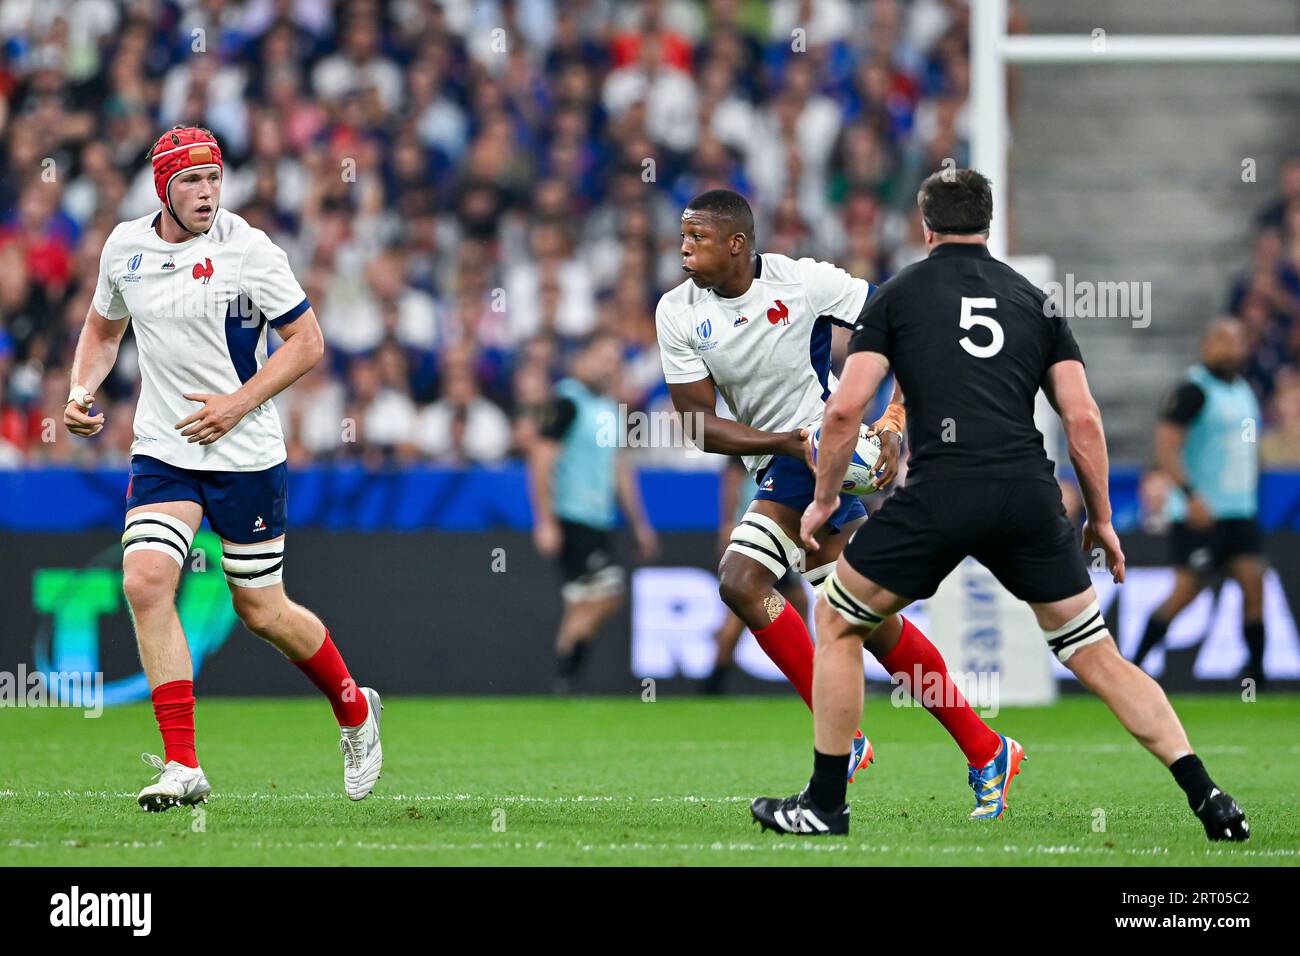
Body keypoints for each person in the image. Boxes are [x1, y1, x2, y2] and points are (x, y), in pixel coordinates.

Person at [752, 170, 1249, 842]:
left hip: (941, 491)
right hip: (1026, 493)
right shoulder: (1032, 300)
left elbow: (843, 410)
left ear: (925, 226)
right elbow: (1083, 420)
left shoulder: (898, 295)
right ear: (987, 224)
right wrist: (1100, 519)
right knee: (1095, 653)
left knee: (837, 618)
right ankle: (1208, 795)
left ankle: (825, 802)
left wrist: (824, 501)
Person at [63, 126, 382, 810]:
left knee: (261, 609)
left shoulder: (249, 251)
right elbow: (101, 328)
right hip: (164, 446)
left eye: (214, 179)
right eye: (190, 182)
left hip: (244, 453)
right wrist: (80, 391)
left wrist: (239, 404)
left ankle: (354, 709)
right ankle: (183, 765)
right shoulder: (125, 248)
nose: (207, 193)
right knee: (146, 580)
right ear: (162, 189)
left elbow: (308, 342)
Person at [658, 188, 1008, 786]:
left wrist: (895, 417)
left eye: (698, 238)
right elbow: (698, 426)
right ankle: (986, 748)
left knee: (742, 580)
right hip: (786, 456)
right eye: (684, 236)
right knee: (867, 620)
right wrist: (785, 443)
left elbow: (908, 330)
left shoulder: (804, 283)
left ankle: (839, 736)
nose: (684, 247)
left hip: (826, 447)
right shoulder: (678, 310)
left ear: (737, 245)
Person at [1132, 319, 1266, 688]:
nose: (1229, 348)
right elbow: (1166, 445)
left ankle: (1259, 679)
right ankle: (1134, 666)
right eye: (1221, 340)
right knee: (1184, 594)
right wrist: (1189, 495)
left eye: (1236, 340)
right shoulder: (1193, 389)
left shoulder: (1243, 390)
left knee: (1254, 586)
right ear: (1206, 345)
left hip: (1240, 512)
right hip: (1201, 514)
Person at [527, 332, 658, 692]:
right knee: (607, 593)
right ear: (582, 358)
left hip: (599, 517)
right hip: (572, 515)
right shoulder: (567, 400)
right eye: (603, 357)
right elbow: (540, 459)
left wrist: (639, 523)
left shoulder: (609, 409)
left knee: (581, 600)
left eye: (615, 359)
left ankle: (565, 681)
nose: (609, 366)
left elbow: (620, 470)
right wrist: (545, 520)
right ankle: (567, 672)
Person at [703, 457, 809, 695]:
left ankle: (714, 682)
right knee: (743, 613)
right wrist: (727, 523)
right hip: (764, 532)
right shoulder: (757, 437)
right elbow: (732, 480)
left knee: (793, 601)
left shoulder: (764, 436)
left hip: (774, 530)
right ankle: (713, 683)